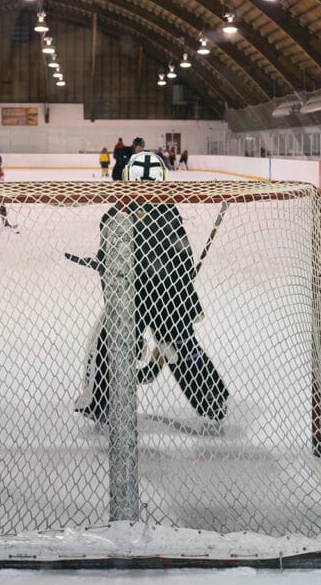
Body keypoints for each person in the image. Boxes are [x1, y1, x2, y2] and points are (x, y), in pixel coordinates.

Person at [73, 151, 229, 424]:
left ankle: (98, 404)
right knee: (180, 346)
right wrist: (185, 298)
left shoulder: (114, 214)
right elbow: (183, 259)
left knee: (107, 343)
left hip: (132, 295)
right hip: (171, 294)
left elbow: (109, 266)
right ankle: (212, 399)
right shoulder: (170, 211)